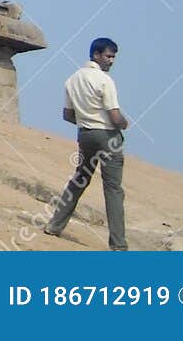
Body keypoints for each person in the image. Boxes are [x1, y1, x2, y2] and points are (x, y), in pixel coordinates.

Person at [45, 38, 129, 250]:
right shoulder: (104, 80)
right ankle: (118, 245)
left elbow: (67, 115)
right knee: (113, 190)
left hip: (85, 135)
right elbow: (115, 116)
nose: (111, 61)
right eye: (108, 56)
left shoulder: (72, 80)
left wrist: (86, 121)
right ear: (96, 55)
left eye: (113, 57)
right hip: (107, 136)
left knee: (79, 179)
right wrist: (124, 124)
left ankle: (54, 225)